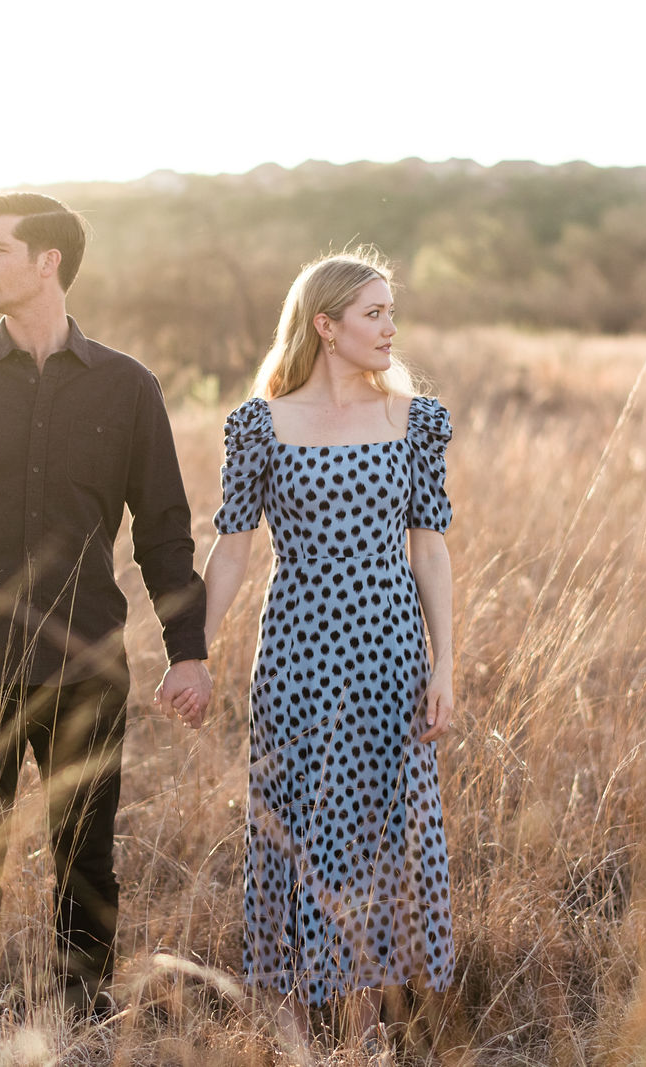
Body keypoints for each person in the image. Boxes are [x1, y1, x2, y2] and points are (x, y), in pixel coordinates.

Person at [0, 191, 213, 1020]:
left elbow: (165, 532)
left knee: (86, 856)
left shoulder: (128, 388)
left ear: (48, 262)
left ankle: (82, 1011)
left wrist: (188, 649)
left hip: (86, 666)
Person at [195, 250, 457, 1052]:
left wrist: (445, 662)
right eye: (373, 314)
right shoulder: (260, 425)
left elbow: (431, 549)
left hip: (388, 652)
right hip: (300, 654)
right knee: (297, 828)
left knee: (379, 832)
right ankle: (294, 1027)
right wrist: (193, 653)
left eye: (390, 313)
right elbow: (233, 550)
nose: (389, 327)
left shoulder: (413, 420)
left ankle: (368, 1026)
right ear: (326, 325)